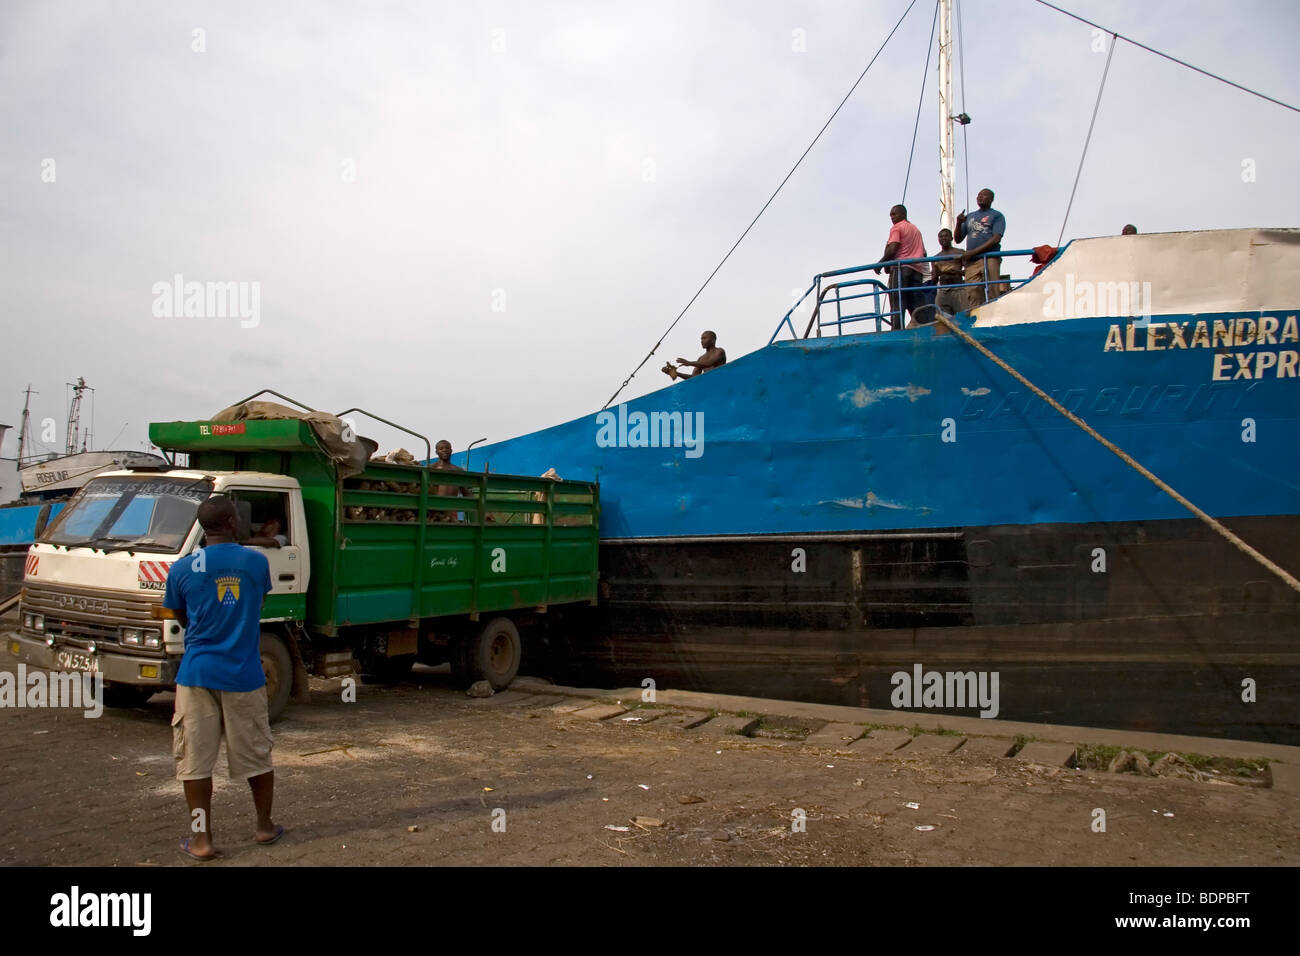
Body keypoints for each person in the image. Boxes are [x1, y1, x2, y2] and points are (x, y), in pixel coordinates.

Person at [164, 494, 280, 861]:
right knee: (257, 756)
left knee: (195, 762)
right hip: (244, 674)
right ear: (232, 522)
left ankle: (201, 840)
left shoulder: (181, 568)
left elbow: (181, 617)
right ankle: (264, 826)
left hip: (196, 673)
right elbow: (256, 605)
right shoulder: (254, 562)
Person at [874, 204, 928, 327]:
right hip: (917, 270)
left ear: (903, 214)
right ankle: (924, 329)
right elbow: (924, 253)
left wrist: (881, 263)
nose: (892, 217)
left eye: (894, 214)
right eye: (891, 215)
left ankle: (897, 330)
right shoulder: (916, 230)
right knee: (917, 304)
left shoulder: (896, 228)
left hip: (901, 269)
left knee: (897, 302)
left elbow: (893, 248)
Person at [955, 188, 1006, 309]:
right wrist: (958, 223)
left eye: (984, 195)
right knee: (972, 291)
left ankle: (995, 313)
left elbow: (996, 239)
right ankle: (976, 317)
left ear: (992, 199)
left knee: (993, 289)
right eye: (978, 195)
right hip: (972, 261)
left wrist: (973, 252)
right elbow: (957, 239)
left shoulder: (997, 215)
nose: (980, 197)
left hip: (990, 257)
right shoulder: (970, 216)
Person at [931, 228, 965, 320]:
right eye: (941, 237)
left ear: (951, 238)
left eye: (946, 236)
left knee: (964, 317)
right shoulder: (935, 258)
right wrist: (938, 271)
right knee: (943, 320)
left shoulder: (959, 252)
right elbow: (934, 280)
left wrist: (957, 272)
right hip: (943, 290)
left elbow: (969, 271)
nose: (943, 238)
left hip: (958, 289)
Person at [430, 439, 467, 522]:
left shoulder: (458, 470)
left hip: (452, 509)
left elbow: (466, 492)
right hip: (435, 509)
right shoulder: (431, 468)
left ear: (451, 451)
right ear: (436, 452)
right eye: (441, 448)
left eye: (447, 448)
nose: (444, 450)